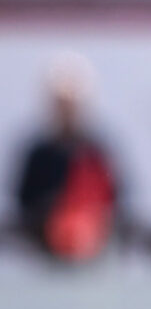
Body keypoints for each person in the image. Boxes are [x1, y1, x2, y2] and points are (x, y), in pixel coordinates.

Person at [14, 52, 119, 262]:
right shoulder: (39, 152)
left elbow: (114, 198)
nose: (66, 110)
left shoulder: (95, 150)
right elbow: (24, 200)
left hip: (91, 251)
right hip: (45, 252)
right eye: (61, 104)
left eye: (70, 104)